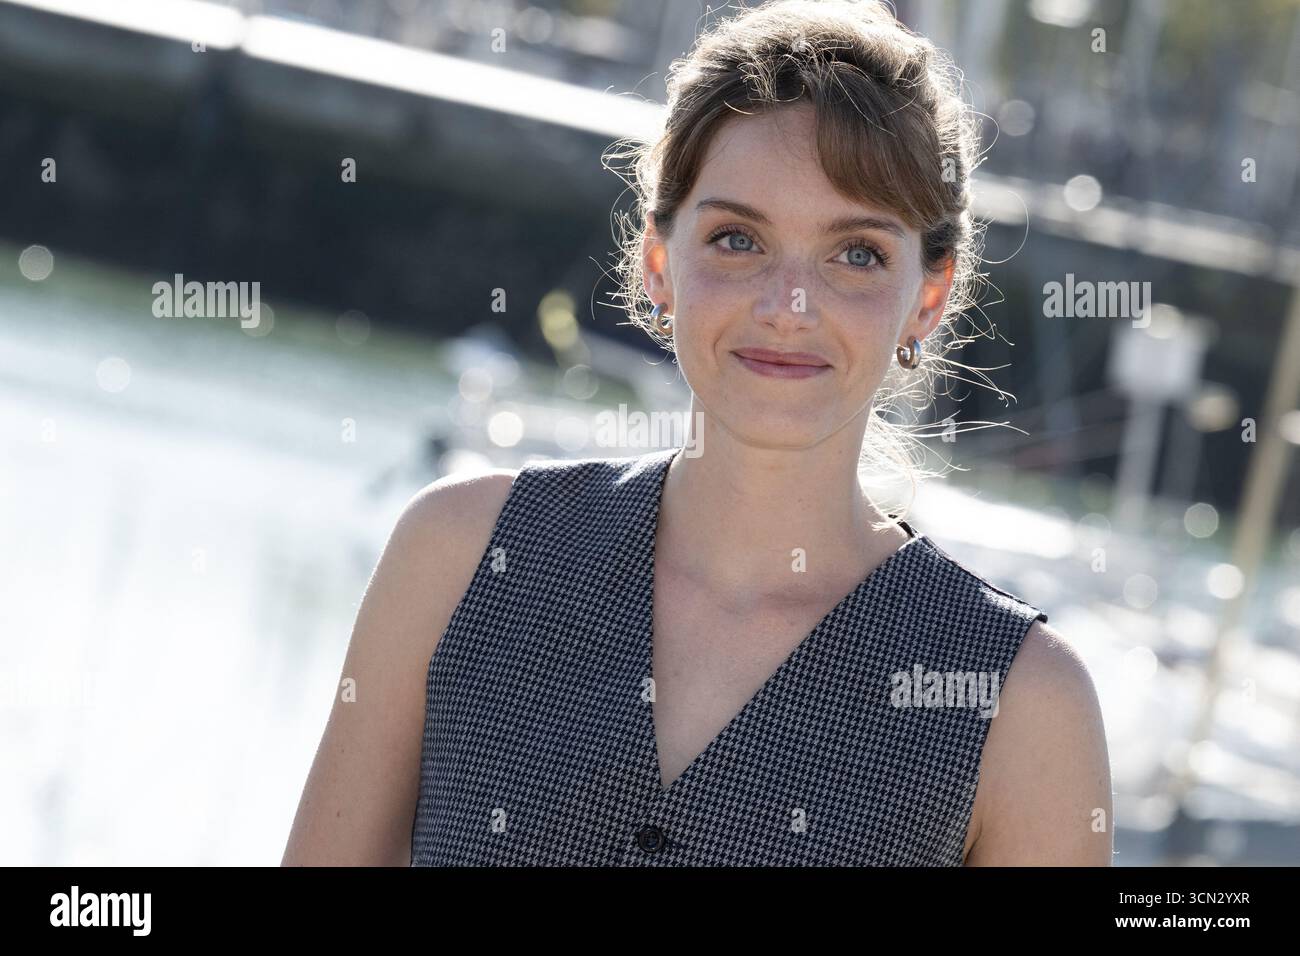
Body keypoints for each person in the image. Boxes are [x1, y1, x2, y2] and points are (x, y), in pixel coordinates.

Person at [282, 0, 1111, 867]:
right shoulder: (455, 557)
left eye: (855, 252)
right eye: (737, 238)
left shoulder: (1024, 708)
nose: (788, 306)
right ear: (658, 264)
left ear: (929, 298)